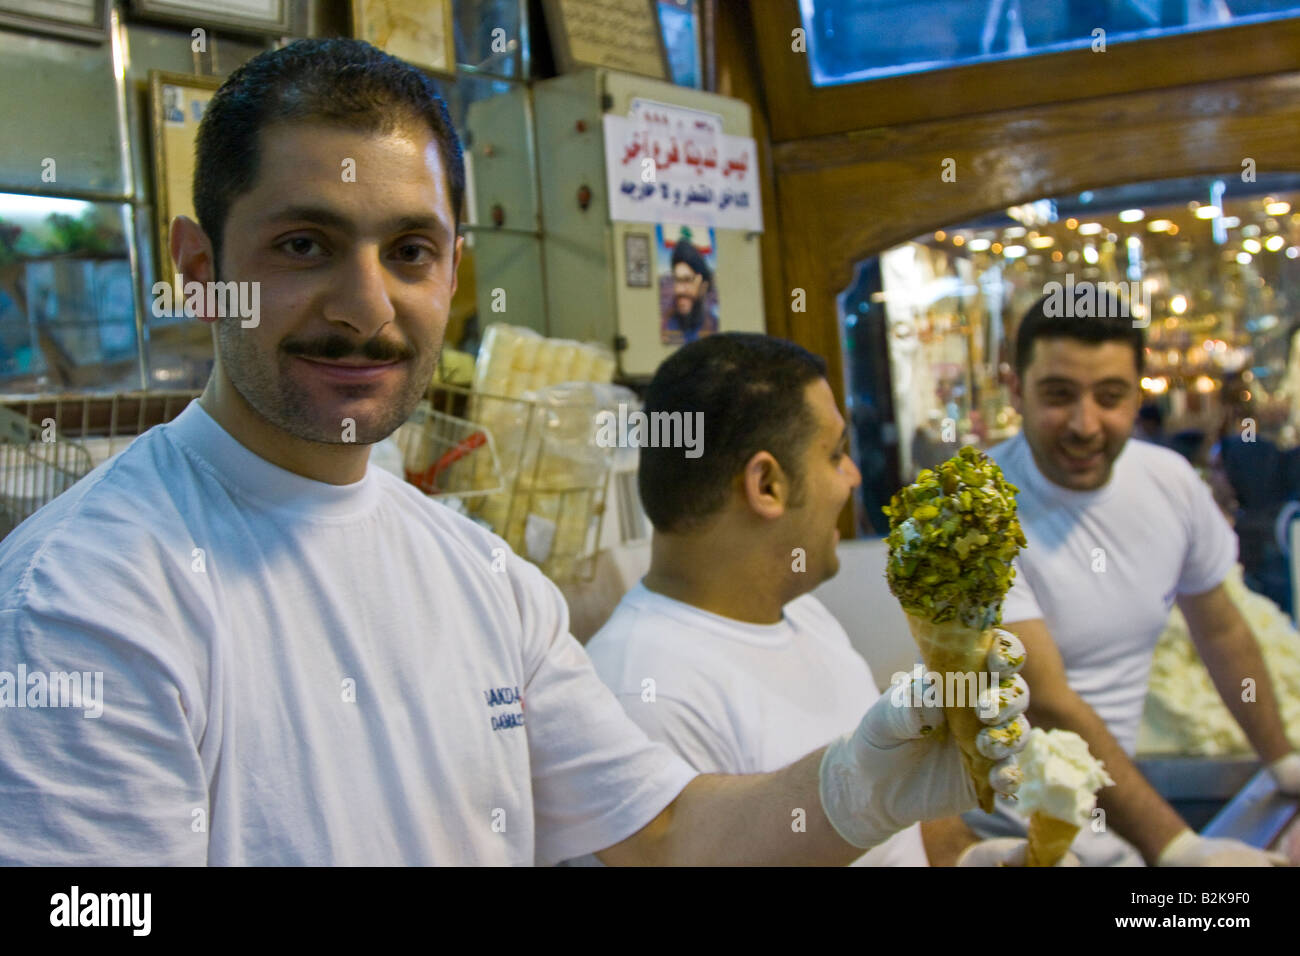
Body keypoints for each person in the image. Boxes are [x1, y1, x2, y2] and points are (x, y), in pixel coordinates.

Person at [0, 38, 981, 866]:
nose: (367, 306)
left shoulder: (480, 574)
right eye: (305, 244)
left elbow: (668, 834)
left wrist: (857, 784)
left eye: (409, 251)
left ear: (454, 271)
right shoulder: (83, 597)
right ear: (201, 269)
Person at [575, 332, 1031, 867]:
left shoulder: (803, 614)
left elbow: (905, 830)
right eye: (836, 454)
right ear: (767, 484)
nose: (854, 477)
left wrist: (970, 862)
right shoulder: (645, 698)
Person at [962, 294, 1300, 866]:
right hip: (1004, 837)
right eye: (1058, 395)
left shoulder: (1169, 482)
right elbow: (1045, 701)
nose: (1084, 424)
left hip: (1117, 825)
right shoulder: (971, 511)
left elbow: (1221, 633)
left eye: (1110, 397)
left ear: (1139, 393)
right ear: (1017, 391)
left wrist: (1281, 762)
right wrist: (1178, 847)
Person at [663, 236, 717, 344]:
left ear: (703, 285)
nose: (680, 289)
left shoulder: (712, 325)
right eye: (677, 280)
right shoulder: (667, 324)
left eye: (687, 280)